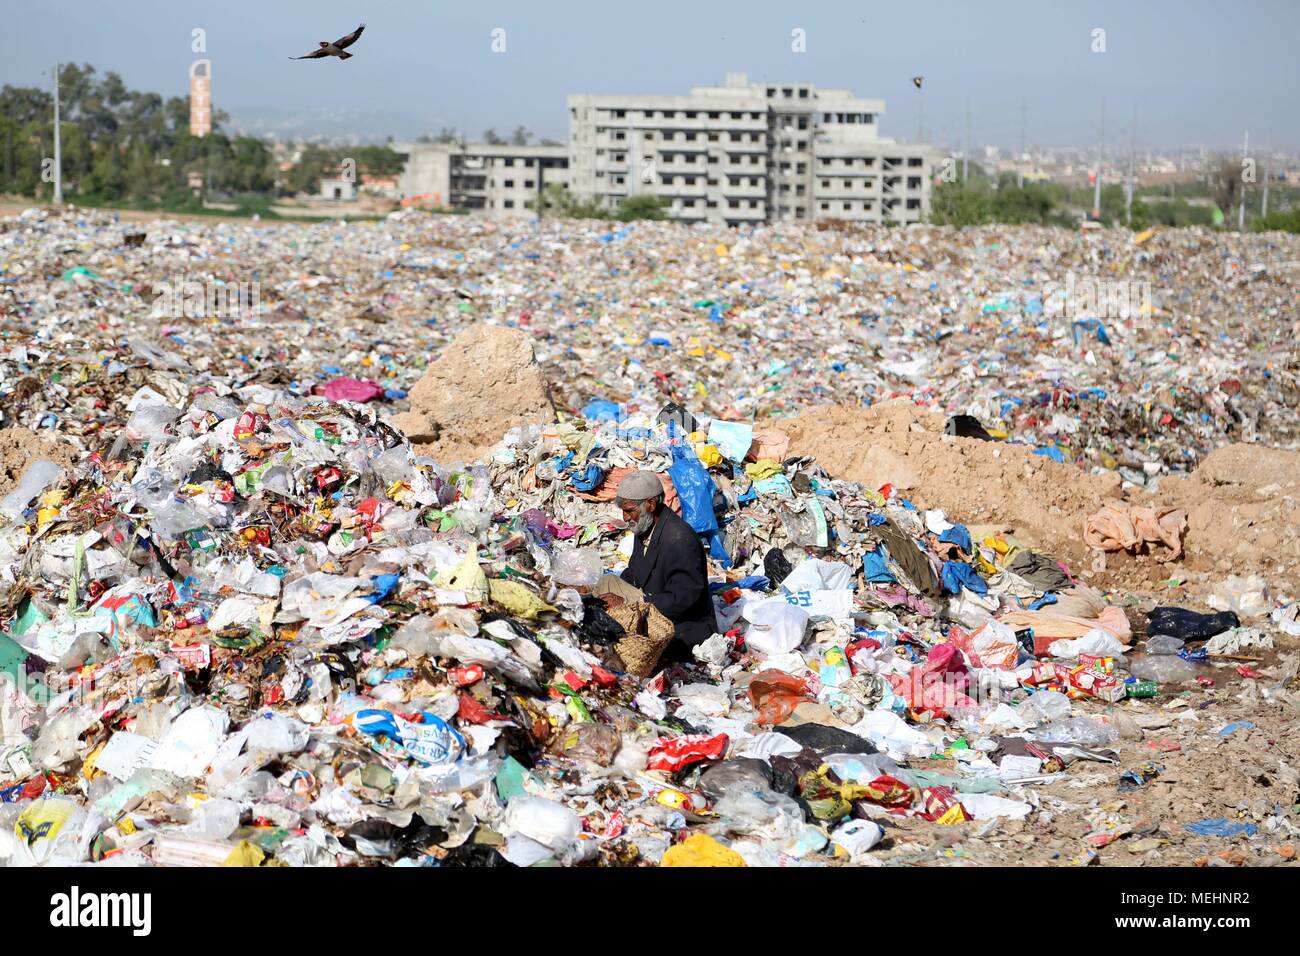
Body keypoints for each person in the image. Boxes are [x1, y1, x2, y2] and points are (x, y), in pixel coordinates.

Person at [595, 470, 717, 651]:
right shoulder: (644, 526)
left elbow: (683, 600)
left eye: (629, 511)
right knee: (605, 584)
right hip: (650, 601)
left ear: (651, 504)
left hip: (679, 624)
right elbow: (634, 573)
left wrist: (630, 603)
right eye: (623, 511)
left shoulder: (680, 540)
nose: (625, 518)